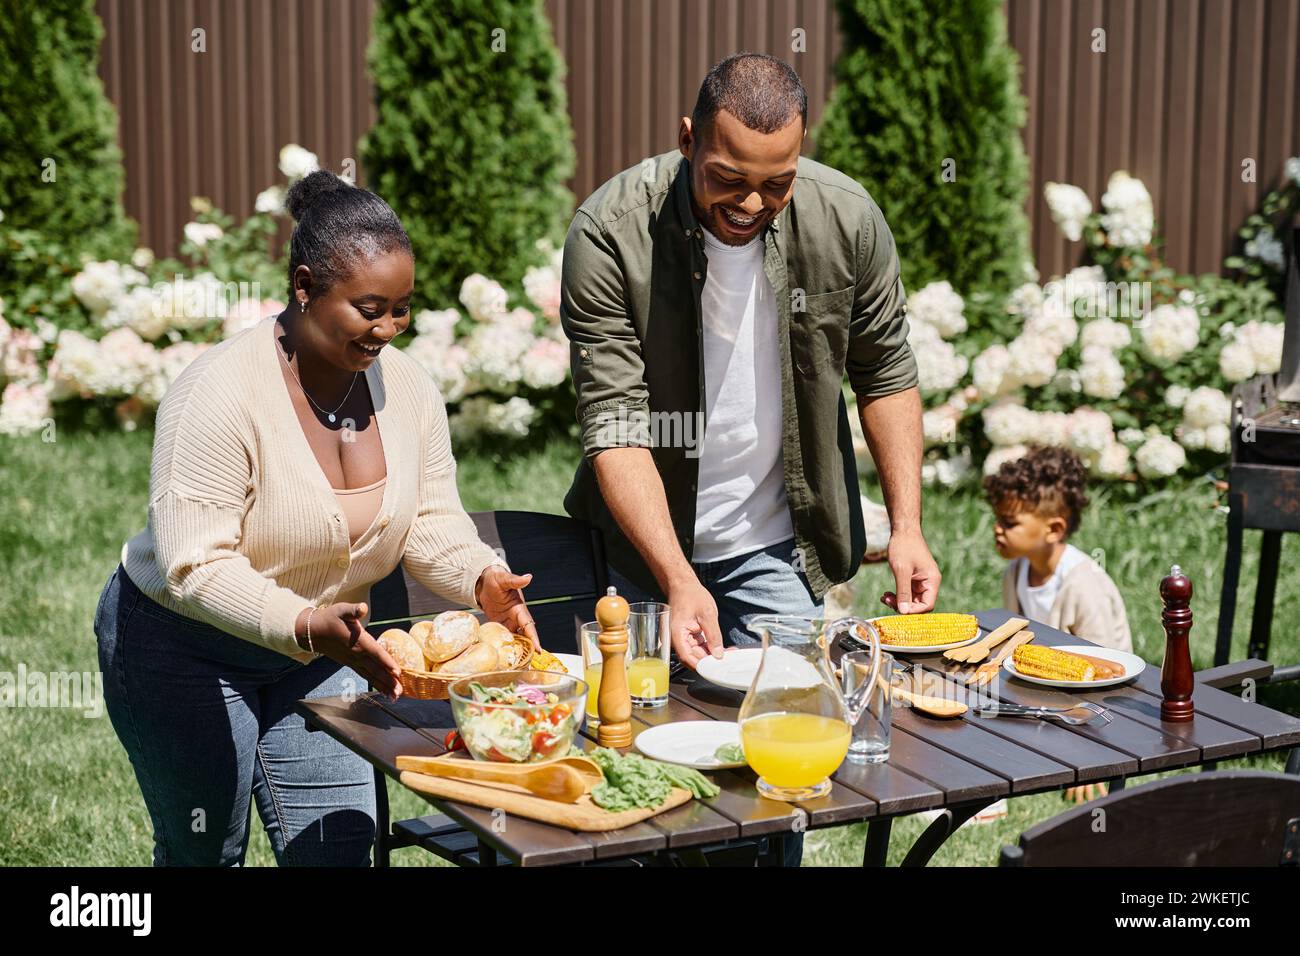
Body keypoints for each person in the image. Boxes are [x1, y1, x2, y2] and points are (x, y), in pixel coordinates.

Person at [94, 169, 539, 865]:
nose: (388, 330)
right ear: (304, 287)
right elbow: (193, 565)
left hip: (320, 651)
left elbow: (428, 518)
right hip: (182, 649)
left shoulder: (412, 390)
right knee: (206, 850)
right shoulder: (216, 394)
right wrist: (303, 621)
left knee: (340, 852)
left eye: (401, 308)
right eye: (369, 308)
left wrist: (482, 578)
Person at [559, 52, 941, 672]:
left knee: (792, 719)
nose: (751, 203)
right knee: (638, 733)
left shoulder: (846, 219)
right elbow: (617, 425)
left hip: (771, 549)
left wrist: (907, 526)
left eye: (776, 183)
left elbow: (887, 374)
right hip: (638, 550)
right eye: (727, 178)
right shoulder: (611, 231)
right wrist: (678, 581)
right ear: (687, 139)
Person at [984, 444, 1133, 805]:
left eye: (1009, 522)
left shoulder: (1083, 585)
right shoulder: (1015, 573)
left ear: (1053, 529)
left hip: (1099, 710)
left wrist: (1092, 756)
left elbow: (1107, 677)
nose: (997, 529)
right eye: (998, 519)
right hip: (1045, 699)